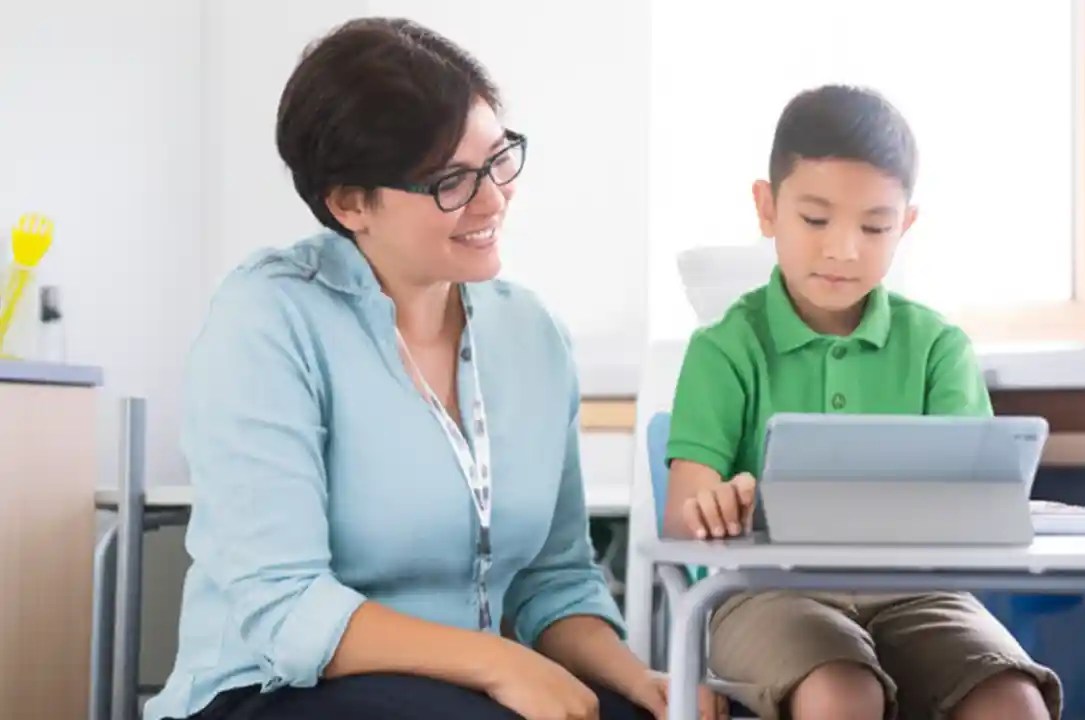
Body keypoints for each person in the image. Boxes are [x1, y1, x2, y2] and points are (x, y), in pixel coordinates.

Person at [145, 17, 723, 720]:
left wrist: (639, 680)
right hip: (271, 691)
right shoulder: (268, 319)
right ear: (349, 202)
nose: (492, 199)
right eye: (451, 181)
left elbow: (555, 579)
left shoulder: (531, 334)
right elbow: (287, 606)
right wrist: (500, 662)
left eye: (499, 158)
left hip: (466, 688)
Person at [663, 85, 1063, 720]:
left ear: (904, 225)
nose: (844, 249)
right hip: (764, 595)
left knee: (1011, 701)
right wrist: (712, 508)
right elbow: (683, 514)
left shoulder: (938, 347)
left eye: (874, 225)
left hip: (920, 596)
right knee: (843, 694)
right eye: (816, 220)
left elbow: (976, 508)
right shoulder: (725, 348)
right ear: (767, 208)